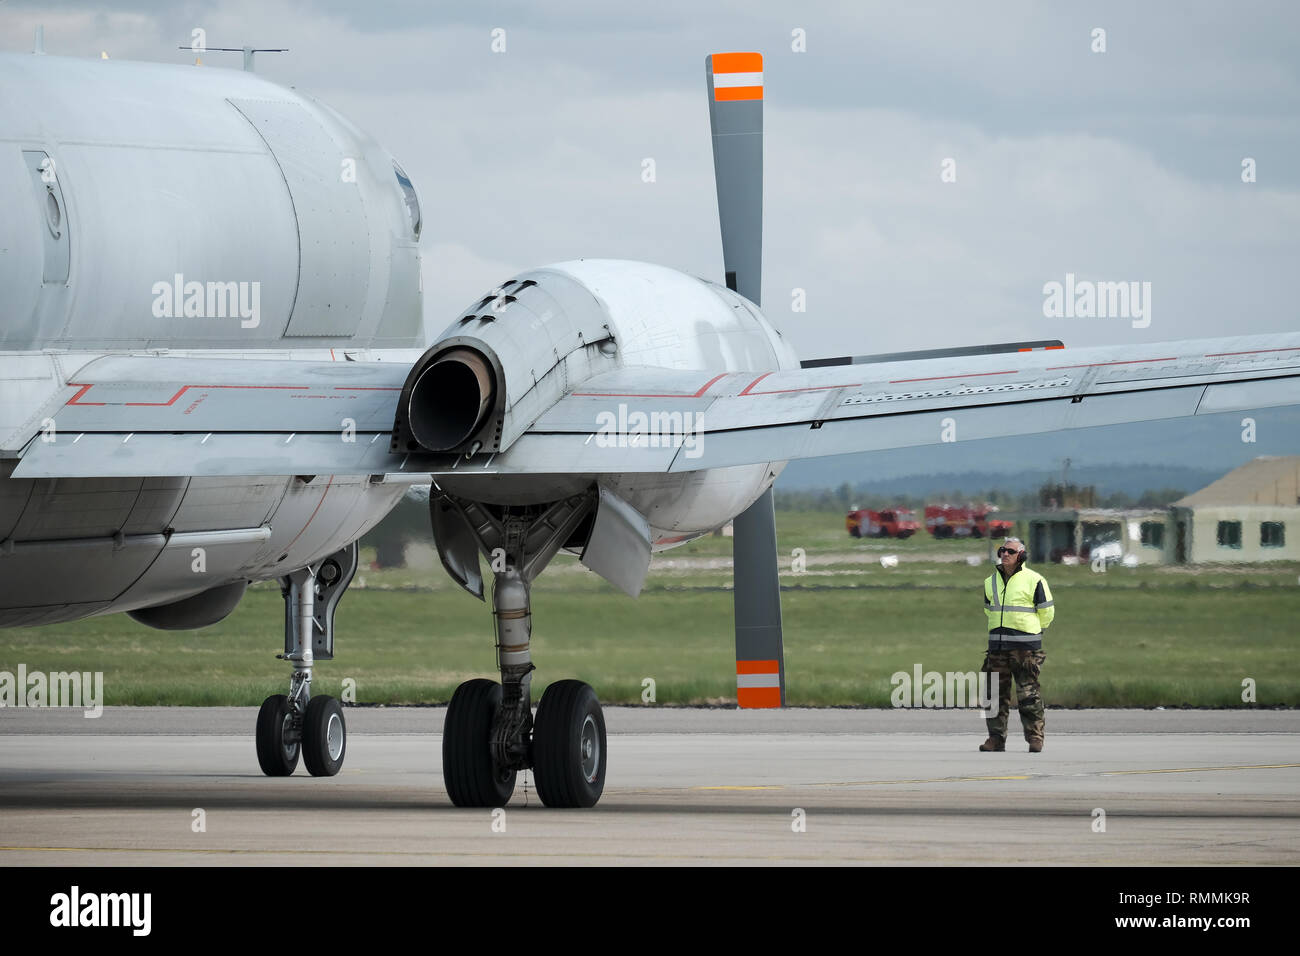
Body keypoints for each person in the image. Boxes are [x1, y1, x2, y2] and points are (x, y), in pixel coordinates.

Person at [979, 537, 1054, 753]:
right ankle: (996, 738)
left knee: (1028, 694)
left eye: (1010, 551)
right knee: (993, 696)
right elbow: (988, 609)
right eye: (1002, 550)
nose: (1004, 554)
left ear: (1021, 555)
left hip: (1025, 649)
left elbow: (1046, 612)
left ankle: (1035, 737)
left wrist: (1035, 632)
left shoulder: (1035, 580)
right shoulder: (990, 581)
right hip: (997, 648)